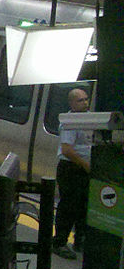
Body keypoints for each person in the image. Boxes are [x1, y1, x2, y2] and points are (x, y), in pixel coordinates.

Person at [54, 87, 93, 259]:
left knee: (84, 205)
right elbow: (67, 150)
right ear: (71, 103)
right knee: (68, 207)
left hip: (84, 169)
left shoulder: (91, 119)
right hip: (71, 168)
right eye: (80, 100)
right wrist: (86, 165)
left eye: (86, 99)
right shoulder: (70, 122)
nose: (85, 103)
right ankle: (59, 242)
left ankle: (80, 240)